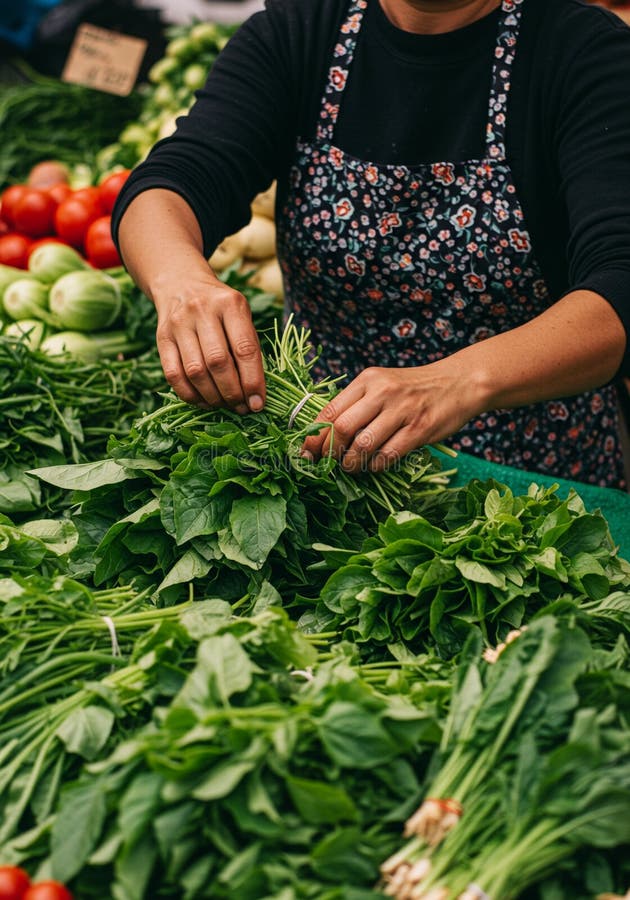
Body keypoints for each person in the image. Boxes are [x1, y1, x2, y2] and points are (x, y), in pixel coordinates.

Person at [113, 0, 630, 490]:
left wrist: (459, 381)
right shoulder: (299, 33)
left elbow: (619, 283)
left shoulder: (583, 51)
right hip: (328, 462)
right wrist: (181, 280)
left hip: (535, 486)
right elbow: (174, 179)